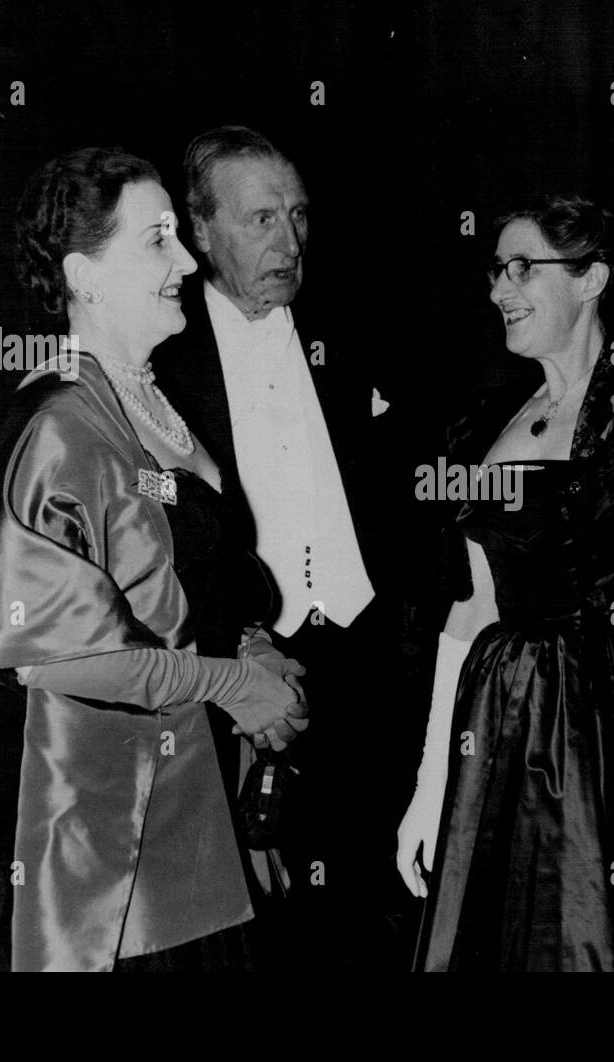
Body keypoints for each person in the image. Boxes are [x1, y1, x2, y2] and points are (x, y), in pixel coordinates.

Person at [0, 147, 308, 971]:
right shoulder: (63, 425)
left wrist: (254, 644)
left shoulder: (158, 402)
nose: (188, 260)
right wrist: (235, 686)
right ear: (84, 275)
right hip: (114, 846)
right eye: (157, 240)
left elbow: (203, 570)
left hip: (197, 808)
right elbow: (60, 658)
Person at [396, 195, 614, 971]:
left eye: (522, 268)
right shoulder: (480, 425)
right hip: (497, 717)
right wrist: (431, 781)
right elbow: (469, 612)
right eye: (495, 270)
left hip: (610, 727)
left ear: (591, 278)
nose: (499, 289)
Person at [151, 126, 412, 965]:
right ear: (200, 230)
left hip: (370, 662)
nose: (289, 242)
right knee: (255, 927)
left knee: (376, 911)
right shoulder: (159, 359)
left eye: (298, 216)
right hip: (243, 674)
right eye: (261, 219)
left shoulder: (359, 331)